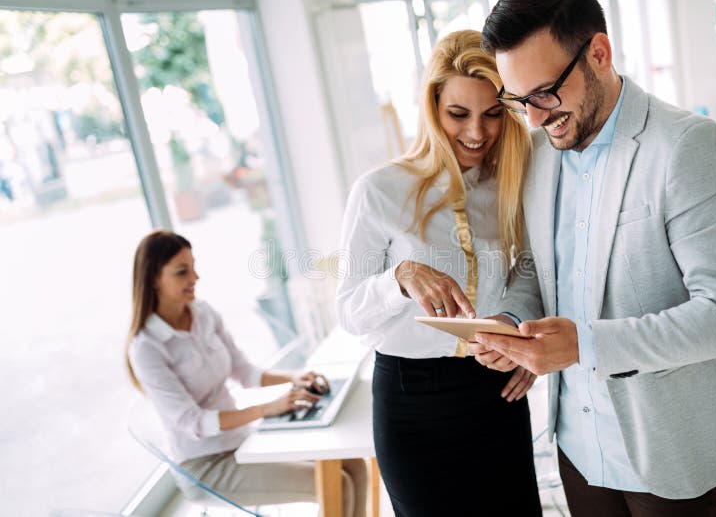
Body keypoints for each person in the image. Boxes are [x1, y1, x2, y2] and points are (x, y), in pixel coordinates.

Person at [470, 0, 716, 515]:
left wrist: (583, 346)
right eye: (519, 100)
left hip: (672, 450)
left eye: (545, 93)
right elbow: (538, 270)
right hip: (577, 446)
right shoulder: (541, 153)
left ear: (598, 53)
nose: (534, 120)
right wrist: (511, 319)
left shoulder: (687, 146)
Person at [336, 30, 542, 517]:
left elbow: (530, 273)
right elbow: (348, 313)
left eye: (493, 113)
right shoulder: (378, 190)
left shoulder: (514, 180)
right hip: (411, 404)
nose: (477, 132)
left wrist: (515, 335)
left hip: (494, 391)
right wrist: (399, 277)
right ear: (432, 108)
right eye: (458, 114)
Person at [126, 230, 367, 516]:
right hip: (205, 465)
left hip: (242, 440)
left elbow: (243, 372)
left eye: (193, 267)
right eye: (182, 272)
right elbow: (196, 423)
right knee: (335, 483)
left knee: (352, 463)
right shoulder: (146, 348)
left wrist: (294, 378)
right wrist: (270, 408)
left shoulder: (203, 313)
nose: (195, 278)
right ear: (153, 279)